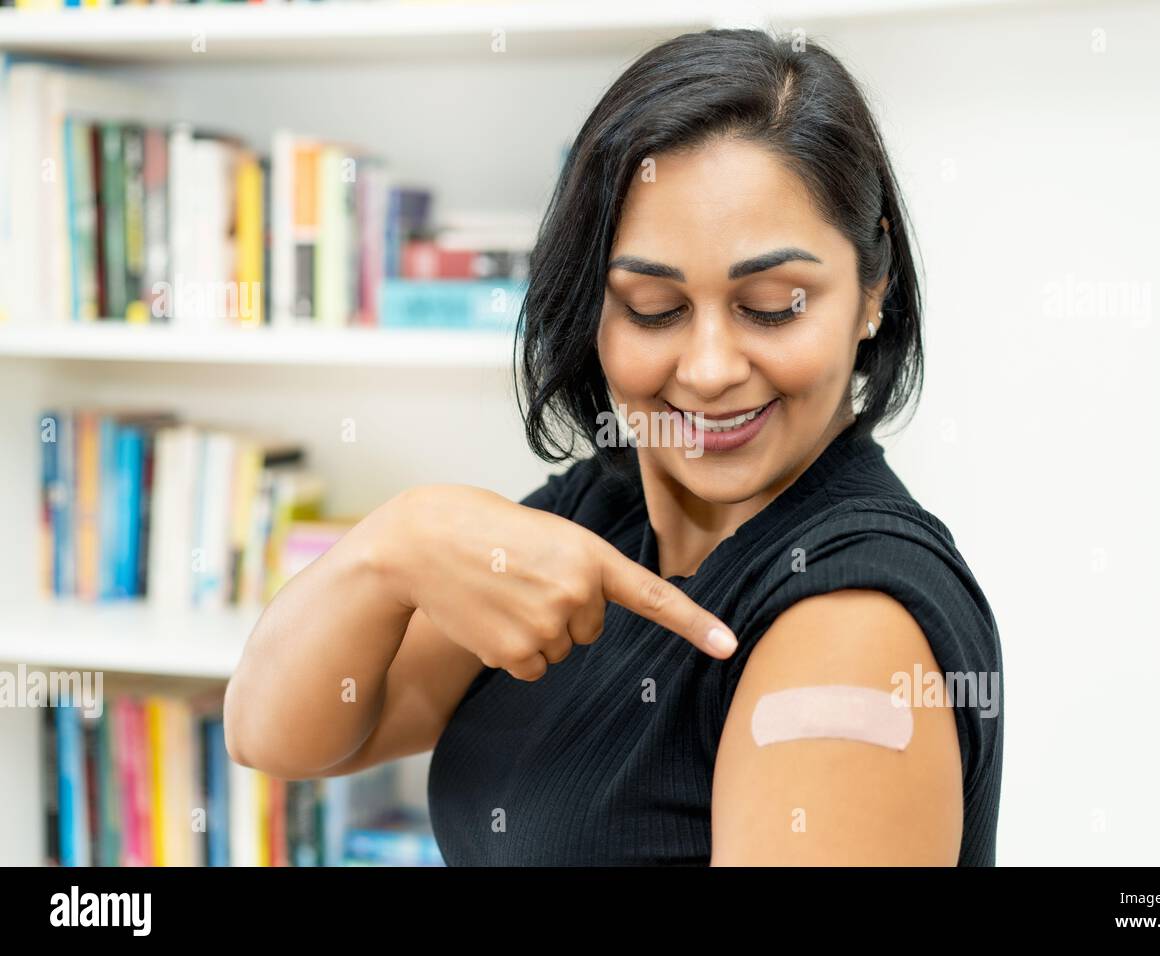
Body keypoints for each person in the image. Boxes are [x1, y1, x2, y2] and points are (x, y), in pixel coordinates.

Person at [224, 27, 1004, 866]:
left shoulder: (852, 627)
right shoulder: (602, 510)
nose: (708, 371)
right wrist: (393, 546)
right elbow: (276, 735)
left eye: (773, 304)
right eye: (653, 308)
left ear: (872, 292)